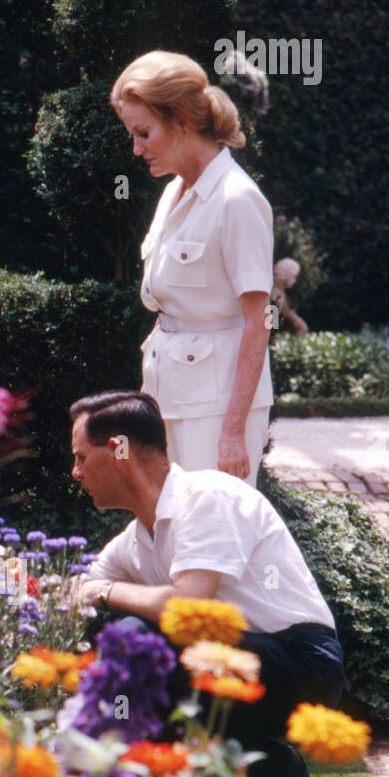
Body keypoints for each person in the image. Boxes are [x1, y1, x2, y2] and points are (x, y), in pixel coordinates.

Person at [69, 390, 345, 777]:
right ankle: (259, 767)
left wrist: (105, 591)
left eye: (80, 456)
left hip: (301, 666)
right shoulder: (136, 539)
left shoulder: (207, 496)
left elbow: (188, 605)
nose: (75, 472)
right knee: (122, 636)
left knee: (134, 635)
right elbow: (79, 590)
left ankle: (169, 773)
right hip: (241, 658)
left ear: (118, 451)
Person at [110, 51, 273, 485]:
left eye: (144, 132)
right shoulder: (174, 193)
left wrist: (234, 432)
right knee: (169, 532)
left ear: (182, 119)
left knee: (216, 536)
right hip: (167, 396)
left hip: (216, 410)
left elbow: (259, 322)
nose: (136, 148)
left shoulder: (236, 200)